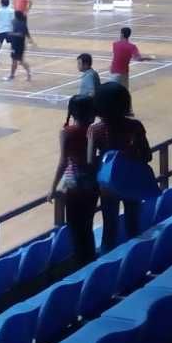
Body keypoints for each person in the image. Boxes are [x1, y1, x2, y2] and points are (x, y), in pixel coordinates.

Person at [87, 82, 151, 252]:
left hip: (109, 187)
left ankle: (108, 262)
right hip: (131, 180)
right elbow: (147, 156)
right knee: (133, 224)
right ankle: (136, 258)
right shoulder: (135, 126)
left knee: (110, 227)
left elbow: (90, 163)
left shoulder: (95, 130)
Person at [48, 95, 98, 264]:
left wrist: (53, 188)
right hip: (93, 184)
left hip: (74, 187)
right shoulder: (95, 130)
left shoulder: (67, 132)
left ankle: (81, 264)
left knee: (76, 229)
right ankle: (90, 259)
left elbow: (63, 162)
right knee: (87, 225)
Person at [3, 11, 34, 82]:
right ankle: (13, 75)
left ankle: (27, 74)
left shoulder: (19, 24)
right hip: (16, 44)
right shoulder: (20, 23)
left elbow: (21, 34)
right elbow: (27, 34)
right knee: (16, 61)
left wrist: (11, 34)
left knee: (20, 61)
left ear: (16, 16)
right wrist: (30, 40)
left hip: (18, 45)